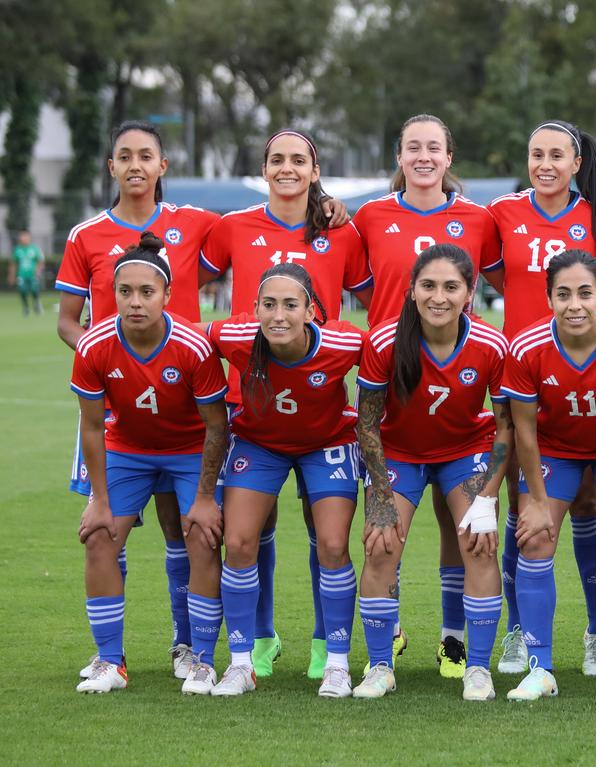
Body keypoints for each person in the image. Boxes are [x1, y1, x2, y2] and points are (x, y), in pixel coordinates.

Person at [202, 128, 371, 680]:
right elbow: (181, 282)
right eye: (277, 159)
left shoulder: (341, 230)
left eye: (299, 160)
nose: (288, 168)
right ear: (264, 168)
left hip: (320, 396)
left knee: (325, 531)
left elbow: (380, 295)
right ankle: (263, 638)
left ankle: (329, 642)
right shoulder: (233, 227)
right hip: (250, 404)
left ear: (315, 169)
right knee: (252, 528)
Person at [56, 120, 222, 680]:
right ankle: (111, 657)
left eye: (145, 155)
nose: (134, 164)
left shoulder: (196, 224)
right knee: (101, 526)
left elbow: (260, 238)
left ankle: (189, 648)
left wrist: (328, 209)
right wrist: (111, 364)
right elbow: (66, 321)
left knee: (187, 532)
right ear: (111, 167)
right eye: (123, 155)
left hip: (186, 408)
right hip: (116, 411)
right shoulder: (85, 235)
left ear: (162, 166)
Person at [352, 114, 503, 678]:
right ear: (399, 154)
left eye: (433, 147)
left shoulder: (478, 218)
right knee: (383, 536)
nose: (422, 155)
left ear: (448, 156)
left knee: (462, 531)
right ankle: (381, 650)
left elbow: (508, 278)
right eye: (412, 146)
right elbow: (360, 285)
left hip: (460, 409)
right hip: (398, 389)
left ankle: (455, 646)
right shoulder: (368, 215)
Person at [488, 119, 596, 676]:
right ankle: (518, 630)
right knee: (524, 508)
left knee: (588, 502)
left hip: (584, 378)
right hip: (520, 377)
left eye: (556, 156)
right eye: (535, 154)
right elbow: (491, 271)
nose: (545, 164)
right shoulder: (502, 213)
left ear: (576, 162)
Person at [71, 237, 228, 693]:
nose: (135, 302)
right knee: (99, 535)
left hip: (189, 450)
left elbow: (216, 427)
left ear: (167, 295)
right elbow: (93, 427)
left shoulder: (194, 346)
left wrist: (203, 498)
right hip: (127, 450)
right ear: (113, 293)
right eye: (125, 292)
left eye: (146, 292)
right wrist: (99, 501)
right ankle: (109, 662)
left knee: (201, 535)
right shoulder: (95, 345)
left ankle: (200, 658)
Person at [501, 250, 596, 702]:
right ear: (548, 298)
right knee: (533, 536)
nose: (575, 304)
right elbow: (525, 430)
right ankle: (540, 667)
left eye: (585, 293)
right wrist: (533, 498)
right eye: (563, 294)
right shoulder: (527, 347)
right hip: (555, 452)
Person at [204, 263, 365, 698]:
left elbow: (390, 353)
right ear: (253, 309)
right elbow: (185, 337)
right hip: (259, 444)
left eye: (290, 305)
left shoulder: (344, 342)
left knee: (333, 544)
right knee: (237, 542)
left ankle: (336, 663)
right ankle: (240, 665)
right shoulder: (235, 336)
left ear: (311, 311)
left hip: (327, 443)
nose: (278, 315)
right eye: (268, 305)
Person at [9, 230, 44, 315]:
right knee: (22, 291)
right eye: (22, 236)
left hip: (32, 274)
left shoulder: (34, 248)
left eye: (26, 236)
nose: (24, 238)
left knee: (34, 290)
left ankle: (37, 304)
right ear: (20, 238)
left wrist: (38, 271)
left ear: (29, 237)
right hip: (22, 275)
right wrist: (11, 275)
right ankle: (26, 307)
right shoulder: (17, 249)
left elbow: (40, 260)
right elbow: (13, 264)